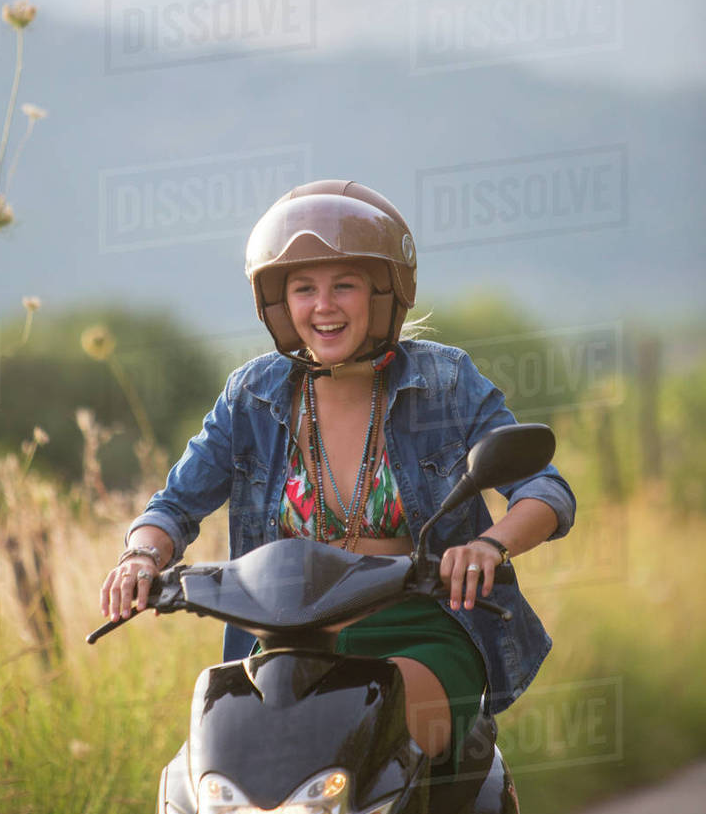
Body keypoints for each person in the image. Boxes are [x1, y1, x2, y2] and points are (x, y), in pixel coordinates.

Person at [101, 180, 575, 767]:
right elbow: (173, 507)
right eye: (304, 288)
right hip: (284, 645)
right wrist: (142, 557)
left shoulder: (446, 381)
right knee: (216, 773)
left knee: (374, 753)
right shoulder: (252, 395)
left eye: (343, 285)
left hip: (420, 632)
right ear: (281, 303)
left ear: (383, 294)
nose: (322, 306)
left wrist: (486, 546)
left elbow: (545, 489)